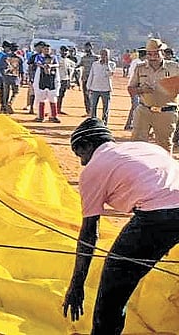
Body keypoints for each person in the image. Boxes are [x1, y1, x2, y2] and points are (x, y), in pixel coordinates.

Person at [62, 117, 179, 335]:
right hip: (167, 205)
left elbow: (89, 233)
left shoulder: (94, 168)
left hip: (157, 215)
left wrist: (77, 285)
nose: (81, 163)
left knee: (115, 281)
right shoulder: (144, 147)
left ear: (88, 145)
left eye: (80, 155)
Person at [127, 39, 179, 154]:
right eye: (150, 53)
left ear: (163, 53)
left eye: (156, 53)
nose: (153, 56)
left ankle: (162, 171)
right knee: (136, 146)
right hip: (144, 111)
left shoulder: (174, 68)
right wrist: (141, 89)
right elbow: (130, 89)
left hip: (166, 113)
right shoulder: (139, 68)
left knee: (164, 147)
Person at [32, 46, 62, 123]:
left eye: (48, 49)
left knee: (53, 99)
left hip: (52, 84)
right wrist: (44, 66)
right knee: (41, 99)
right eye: (45, 49)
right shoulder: (39, 57)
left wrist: (51, 66)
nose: (46, 50)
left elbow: (57, 66)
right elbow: (37, 64)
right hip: (41, 83)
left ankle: (53, 116)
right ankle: (40, 116)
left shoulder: (54, 60)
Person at [87, 49, 116, 123]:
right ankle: (93, 122)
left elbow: (110, 74)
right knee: (93, 107)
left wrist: (107, 64)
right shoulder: (95, 64)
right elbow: (91, 75)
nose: (104, 56)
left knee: (106, 107)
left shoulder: (112, 64)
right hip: (94, 88)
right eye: (102, 54)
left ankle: (104, 122)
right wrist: (88, 87)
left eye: (106, 54)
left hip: (106, 89)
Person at [0, 42, 24, 114]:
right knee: (15, 92)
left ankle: (5, 108)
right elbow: (21, 69)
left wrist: (3, 75)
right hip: (15, 77)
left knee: (6, 93)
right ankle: (10, 103)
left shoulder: (4, 56)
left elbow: (0, 67)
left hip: (6, 77)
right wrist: (22, 78)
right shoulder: (20, 58)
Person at [124, 49, 147, 130]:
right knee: (136, 106)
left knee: (136, 106)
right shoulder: (139, 64)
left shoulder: (135, 62)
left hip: (135, 86)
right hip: (135, 87)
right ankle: (131, 124)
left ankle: (130, 124)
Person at [78, 43, 98, 116]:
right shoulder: (83, 58)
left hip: (93, 79)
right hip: (85, 79)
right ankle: (88, 111)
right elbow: (79, 65)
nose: (86, 49)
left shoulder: (96, 58)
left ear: (91, 47)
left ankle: (92, 111)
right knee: (86, 95)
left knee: (93, 95)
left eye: (88, 47)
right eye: (85, 47)